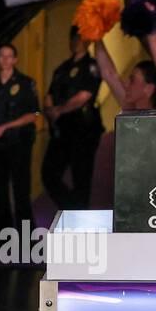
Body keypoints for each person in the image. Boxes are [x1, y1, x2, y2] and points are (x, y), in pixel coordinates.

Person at [88, 42, 156, 210]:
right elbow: (108, 73)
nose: (126, 84)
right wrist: (95, 36)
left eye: (132, 80)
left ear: (149, 89)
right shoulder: (130, 111)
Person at [0, 42, 39, 247]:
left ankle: (27, 239)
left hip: (18, 142)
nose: (5, 60)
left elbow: (33, 114)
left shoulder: (25, 83)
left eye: (9, 56)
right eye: (1, 56)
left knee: (21, 190)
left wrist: (5, 126)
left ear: (15, 59)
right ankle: (3, 239)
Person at [41, 26, 103, 211]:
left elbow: (84, 95)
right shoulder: (62, 68)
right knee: (49, 174)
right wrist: (50, 110)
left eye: (80, 37)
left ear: (88, 40)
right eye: (73, 37)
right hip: (62, 128)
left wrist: (59, 110)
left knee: (81, 178)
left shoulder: (91, 66)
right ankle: (73, 209)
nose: (76, 41)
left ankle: (79, 218)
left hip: (83, 128)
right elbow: (50, 94)